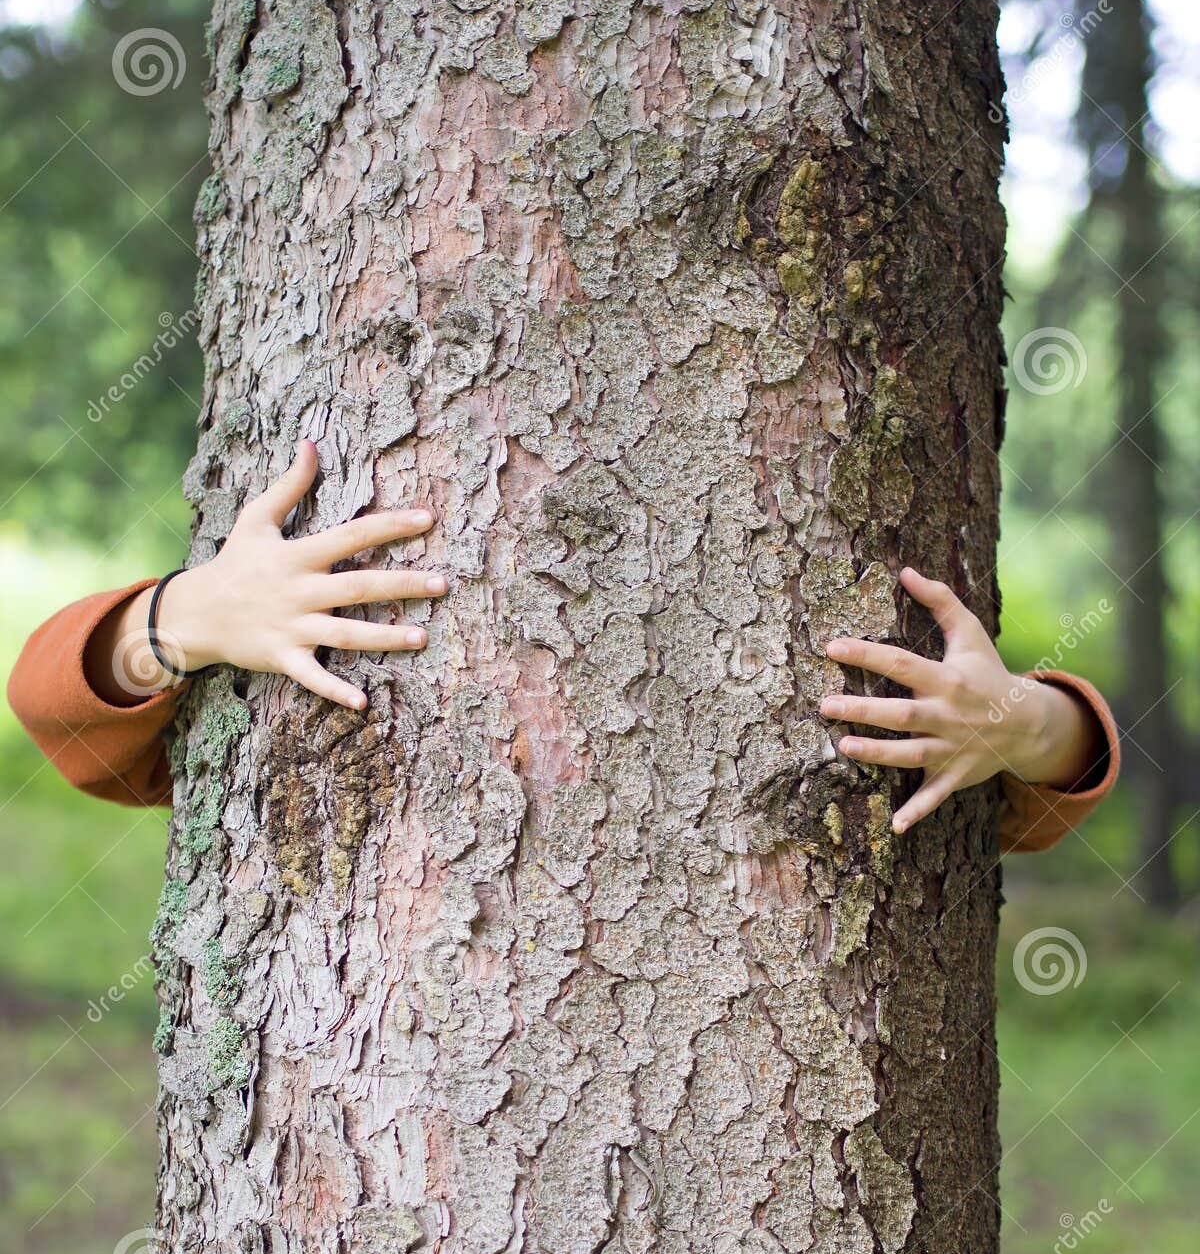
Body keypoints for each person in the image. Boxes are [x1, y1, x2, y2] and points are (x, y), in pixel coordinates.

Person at [7, 442, 1118, 849]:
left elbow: (1027, 798)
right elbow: (61, 717)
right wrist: (187, 618)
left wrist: (1025, 720)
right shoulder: (258, 653)